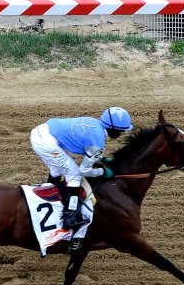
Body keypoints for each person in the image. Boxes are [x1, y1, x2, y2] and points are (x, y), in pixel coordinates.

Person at [30, 107, 132, 252]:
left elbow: (82, 143)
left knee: (58, 168)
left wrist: (101, 158)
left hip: (39, 132)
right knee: (74, 174)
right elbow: (84, 171)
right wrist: (103, 171)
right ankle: (71, 216)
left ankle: (50, 190)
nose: (122, 133)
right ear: (113, 128)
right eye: (121, 130)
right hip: (47, 143)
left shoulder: (94, 123)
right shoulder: (98, 142)